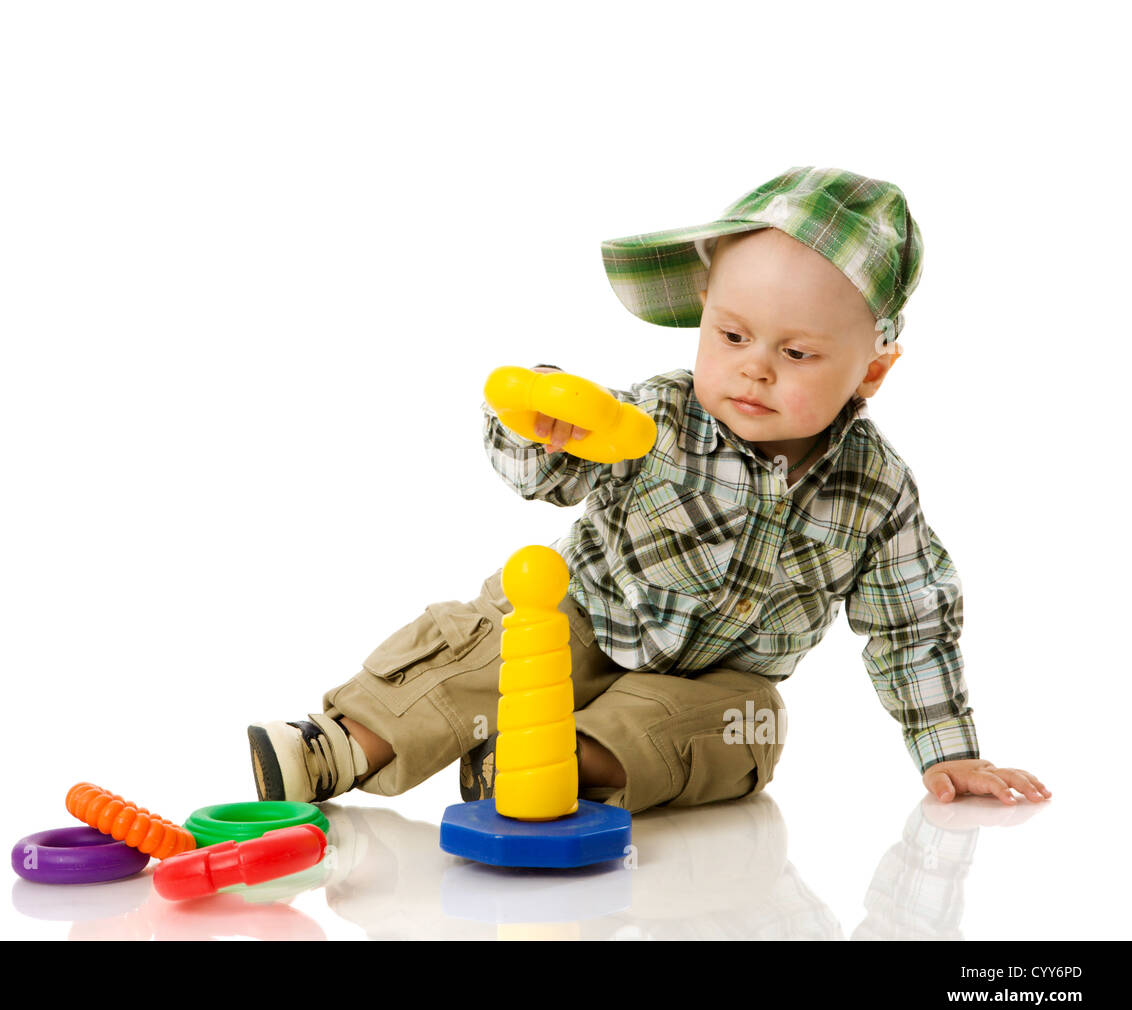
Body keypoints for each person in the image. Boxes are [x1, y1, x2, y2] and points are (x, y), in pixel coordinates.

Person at [247, 166, 1050, 814]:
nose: (755, 366)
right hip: (587, 616)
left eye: (797, 353)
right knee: (489, 652)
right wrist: (540, 425)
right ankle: (341, 744)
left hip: (719, 681)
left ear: (872, 370)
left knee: (739, 730)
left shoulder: (876, 491)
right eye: (732, 335)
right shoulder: (656, 415)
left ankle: (550, 768)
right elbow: (548, 476)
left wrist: (951, 751)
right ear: (704, 312)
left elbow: (913, 625)